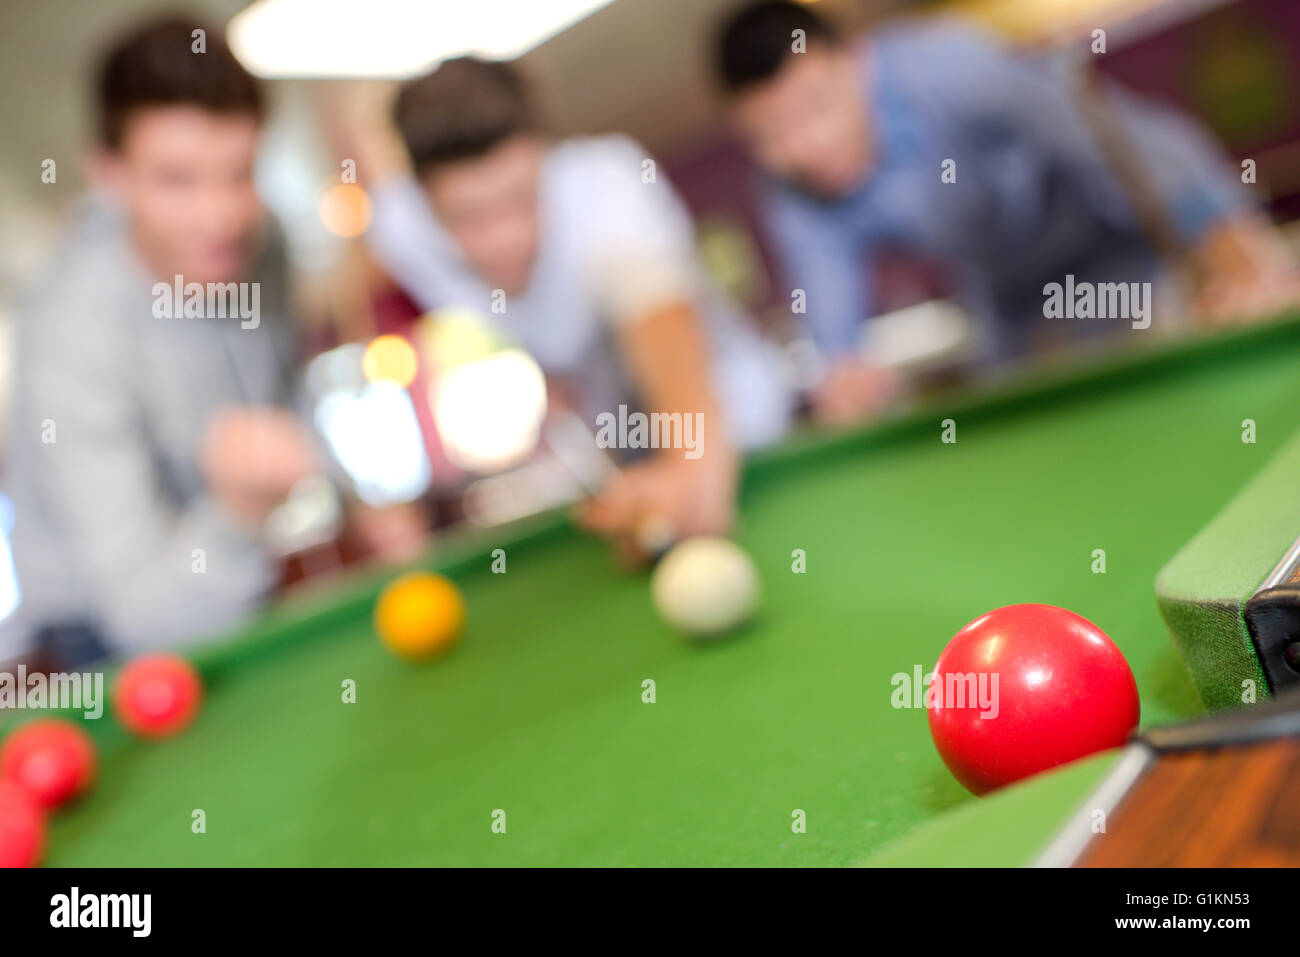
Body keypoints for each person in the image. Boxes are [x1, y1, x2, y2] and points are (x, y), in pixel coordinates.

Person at [0, 16, 410, 670]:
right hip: (85, 651)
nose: (220, 215)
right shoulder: (72, 336)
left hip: (231, 583)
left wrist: (360, 503)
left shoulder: (264, 241)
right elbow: (139, 617)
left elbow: (286, 395)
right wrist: (240, 510)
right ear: (108, 176)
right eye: (178, 180)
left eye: (239, 173)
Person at [714, 1, 1300, 423]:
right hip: (1011, 302)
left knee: (1214, 392)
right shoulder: (790, 191)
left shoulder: (946, 66)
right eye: (769, 133)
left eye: (815, 107)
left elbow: (1112, 140)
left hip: (1121, 241)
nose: (803, 148)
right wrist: (844, 380)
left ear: (858, 64)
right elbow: (830, 320)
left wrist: (1225, 243)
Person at [347, 57, 792, 557]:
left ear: (544, 158)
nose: (505, 238)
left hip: (733, 420)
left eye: (521, 199)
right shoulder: (400, 231)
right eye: (469, 216)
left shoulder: (608, 187)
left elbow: (663, 329)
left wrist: (691, 466)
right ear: (424, 200)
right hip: (618, 441)